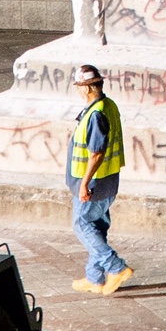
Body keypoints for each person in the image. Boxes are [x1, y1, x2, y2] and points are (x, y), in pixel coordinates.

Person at [67, 65, 134, 295]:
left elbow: (96, 153)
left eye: (79, 87)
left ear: (86, 89)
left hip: (94, 184)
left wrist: (84, 183)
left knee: (82, 225)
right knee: (97, 226)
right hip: (108, 180)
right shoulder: (108, 105)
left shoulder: (96, 114)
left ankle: (116, 267)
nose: (78, 91)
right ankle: (94, 278)